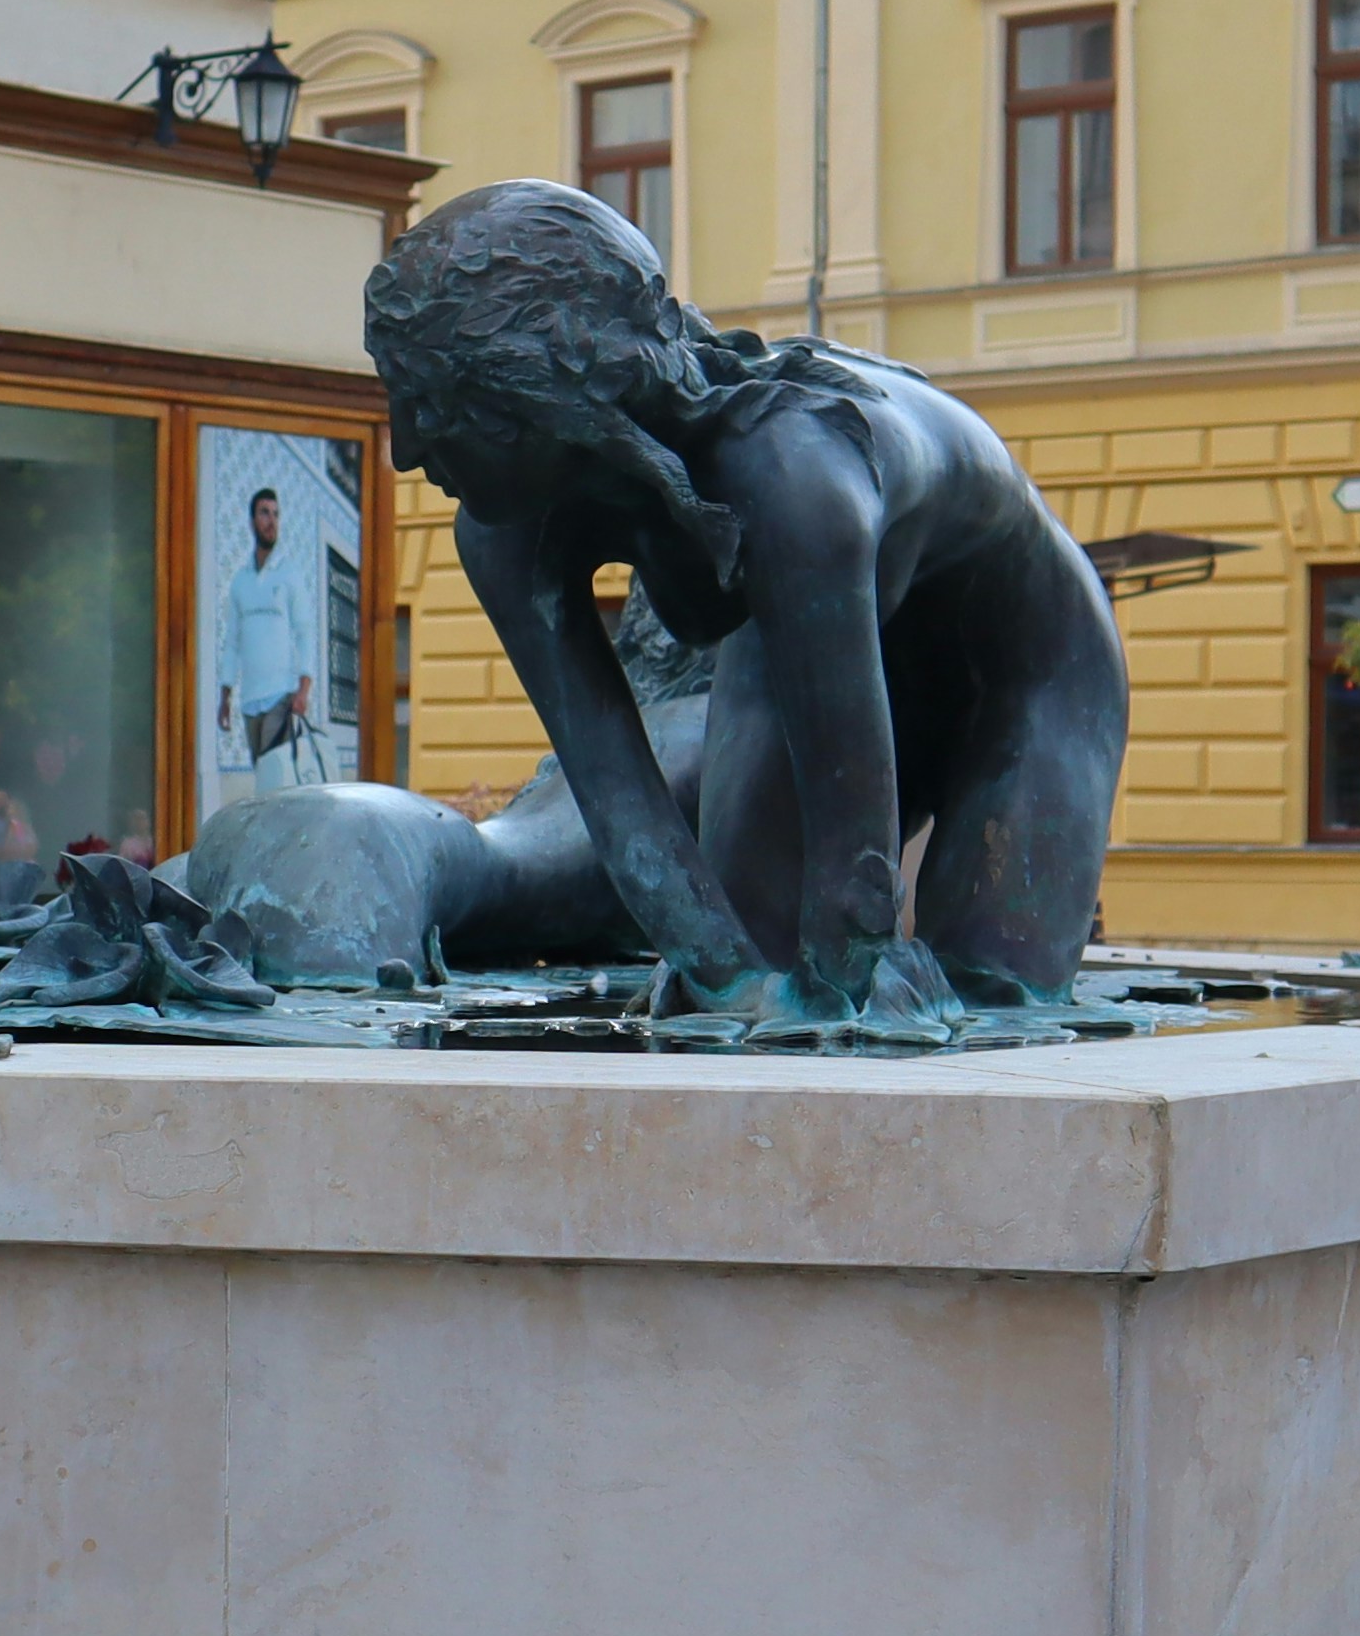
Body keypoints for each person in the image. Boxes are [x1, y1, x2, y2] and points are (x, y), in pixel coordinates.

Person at [365, 177, 1125, 1020]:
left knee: (992, 992)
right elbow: (619, 799)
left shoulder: (794, 474)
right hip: (799, 633)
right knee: (737, 973)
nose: (403, 450)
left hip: (1030, 672)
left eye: (435, 406)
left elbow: (854, 866)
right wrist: (726, 978)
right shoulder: (502, 531)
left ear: (546, 401)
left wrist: (850, 981)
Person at [216, 476, 327, 794]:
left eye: (276, 515)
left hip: (281, 696)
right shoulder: (240, 581)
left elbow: (305, 632)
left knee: (274, 777)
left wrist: (303, 688)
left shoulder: (289, 574)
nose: (271, 521)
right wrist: (225, 695)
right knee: (263, 776)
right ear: (253, 521)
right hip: (251, 699)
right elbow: (232, 641)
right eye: (265, 513)